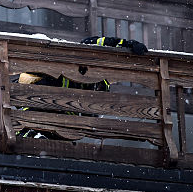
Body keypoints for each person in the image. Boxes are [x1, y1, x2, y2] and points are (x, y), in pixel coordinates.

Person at [17, 36, 149, 139]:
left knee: (63, 124)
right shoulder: (79, 65)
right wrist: (126, 44)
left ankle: (37, 138)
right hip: (33, 86)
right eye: (97, 87)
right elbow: (91, 42)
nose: (95, 89)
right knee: (43, 102)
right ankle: (26, 134)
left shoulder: (87, 103)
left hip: (59, 111)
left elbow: (87, 118)